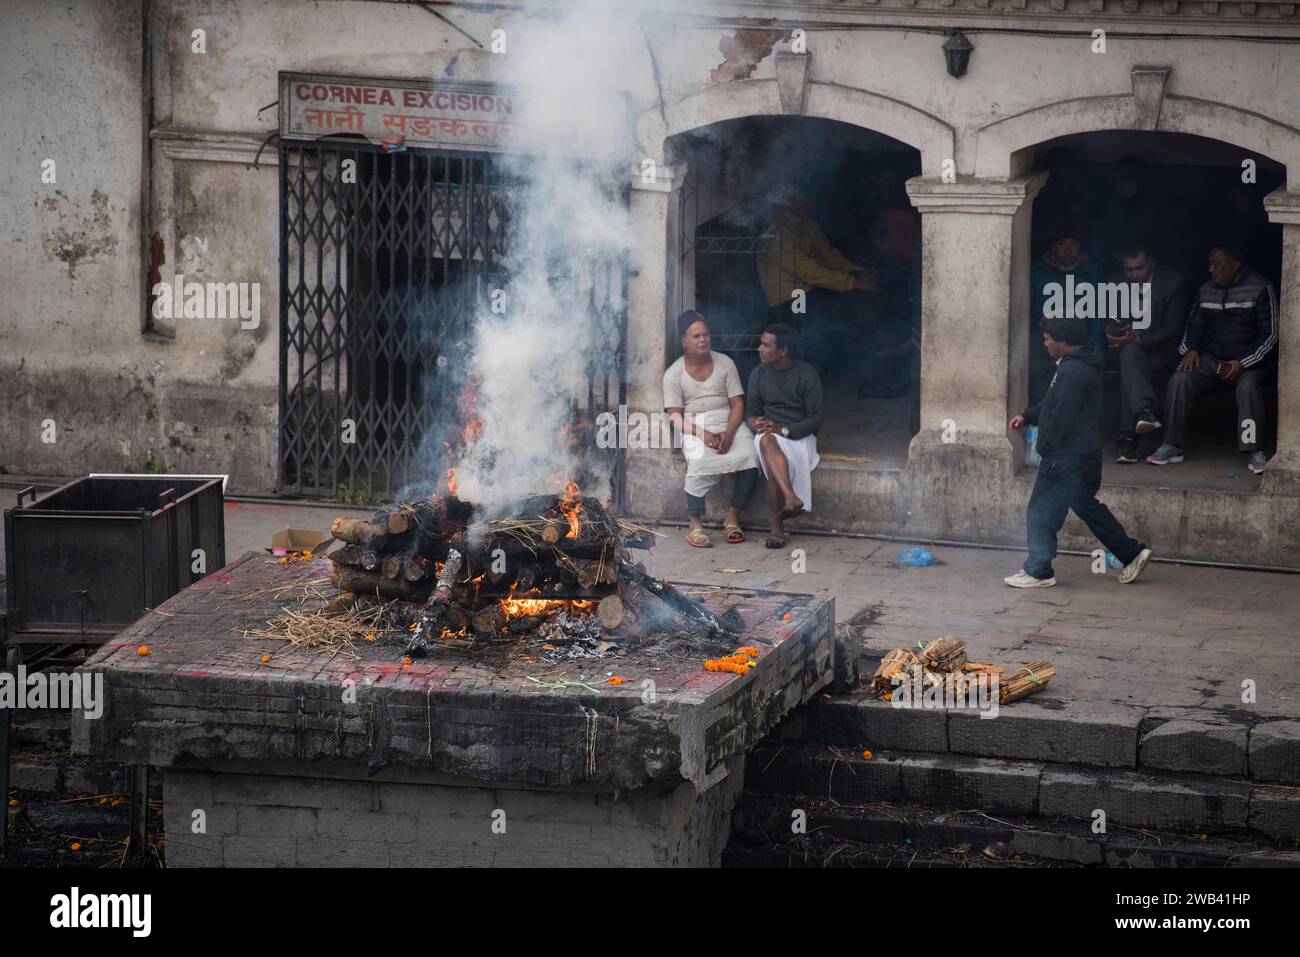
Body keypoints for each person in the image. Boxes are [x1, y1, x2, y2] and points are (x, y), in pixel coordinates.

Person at [1006, 316, 1152, 588]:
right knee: (1085, 505)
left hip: (1065, 456)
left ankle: (1039, 570)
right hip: (1085, 453)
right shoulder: (1078, 365)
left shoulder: (1072, 373)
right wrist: (1027, 416)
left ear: (1063, 340)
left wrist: (1045, 446)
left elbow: (1062, 415)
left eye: (1048, 337)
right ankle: (1131, 553)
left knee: (1041, 511)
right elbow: (1052, 402)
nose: (1045, 343)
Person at [1148, 245, 1278, 474]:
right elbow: (1192, 327)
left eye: (1217, 264)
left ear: (1235, 265)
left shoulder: (1260, 287)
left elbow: (1270, 335)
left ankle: (1254, 450)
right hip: (1212, 362)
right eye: (1210, 264)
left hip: (1249, 364)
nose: (1210, 269)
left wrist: (1242, 362)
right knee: (1180, 379)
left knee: (1247, 387)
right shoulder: (1205, 290)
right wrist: (1190, 349)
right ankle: (1172, 445)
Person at [663, 310, 760, 548]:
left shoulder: (725, 363)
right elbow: (674, 415)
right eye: (696, 336)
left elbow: (738, 403)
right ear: (684, 341)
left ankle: (733, 516)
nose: (703, 340)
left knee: (751, 456)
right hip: (696, 428)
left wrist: (729, 432)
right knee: (698, 460)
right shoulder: (673, 374)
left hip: (729, 423)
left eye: (705, 334)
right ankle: (695, 524)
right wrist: (701, 433)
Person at [757, 187, 878, 368]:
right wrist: (853, 282)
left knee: (850, 304)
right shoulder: (777, 234)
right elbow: (808, 271)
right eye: (806, 203)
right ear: (792, 205)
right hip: (790, 298)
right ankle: (822, 365)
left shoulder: (807, 225)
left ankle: (843, 362)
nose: (811, 205)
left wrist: (858, 271)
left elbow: (829, 256)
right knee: (834, 315)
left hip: (811, 290)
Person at [1105, 241, 1187, 464]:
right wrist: (1113, 330)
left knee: (1129, 367)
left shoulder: (1172, 283)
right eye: (1128, 269)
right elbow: (1108, 316)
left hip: (1160, 351)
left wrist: (1140, 338)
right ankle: (1143, 413)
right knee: (1129, 356)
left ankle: (1127, 440)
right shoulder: (1115, 281)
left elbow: (1173, 327)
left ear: (1152, 263)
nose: (1133, 274)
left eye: (1139, 268)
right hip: (1125, 349)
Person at [745, 323, 823, 550]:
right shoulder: (759, 373)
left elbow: (816, 419)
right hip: (769, 434)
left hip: (800, 436)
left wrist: (784, 430)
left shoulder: (806, 375)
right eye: (761, 343)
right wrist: (755, 423)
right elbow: (751, 412)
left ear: (783, 351)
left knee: (771, 456)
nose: (759, 348)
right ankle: (790, 499)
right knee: (768, 442)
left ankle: (777, 525)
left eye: (765, 345)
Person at [1029, 221, 1106, 404]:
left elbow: (1097, 315)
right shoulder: (1036, 271)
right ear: (1053, 246)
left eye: (1074, 244)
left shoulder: (1093, 272)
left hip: (1080, 342)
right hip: (1044, 341)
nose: (1068, 249)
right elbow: (1028, 313)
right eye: (1062, 243)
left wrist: (1095, 348)